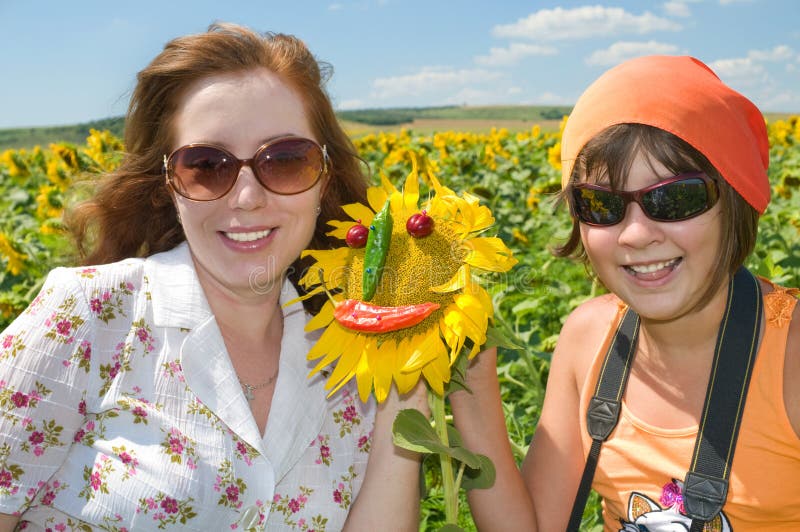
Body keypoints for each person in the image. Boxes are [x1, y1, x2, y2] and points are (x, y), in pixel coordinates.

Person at [0, 23, 425, 531]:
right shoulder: (91, 313)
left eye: (286, 160)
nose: (246, 197)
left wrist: (410, 364)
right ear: (168, 184)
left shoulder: (352, 365)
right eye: (207, 165)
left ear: (324, 178)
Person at [450, 55, 800, 530]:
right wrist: (471, 384)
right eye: (601, 204)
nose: (636, 234)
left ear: (736, 199)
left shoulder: (790, 356)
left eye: (674, 198)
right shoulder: (588, 339)